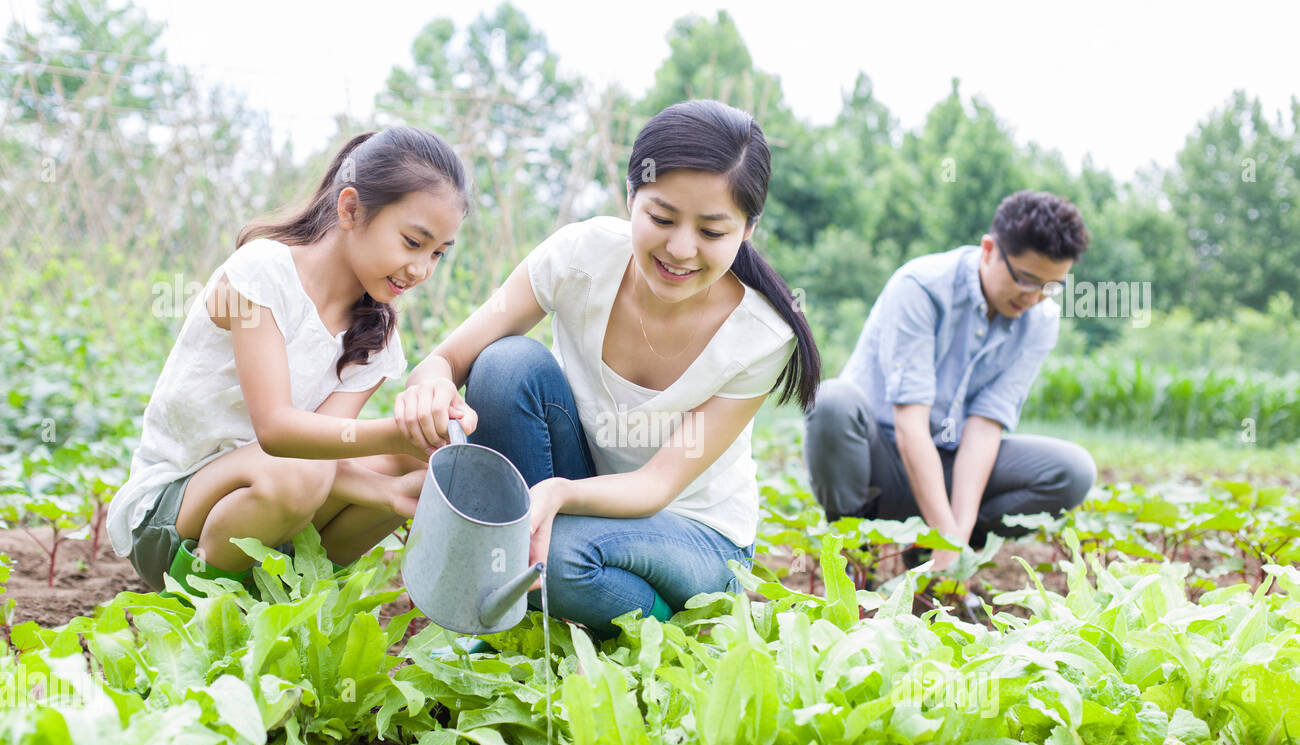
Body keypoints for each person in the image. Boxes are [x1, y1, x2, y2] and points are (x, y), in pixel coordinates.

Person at [395, 99, 821, 638]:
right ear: (630, 197)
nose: (681, 249)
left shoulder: (760, 337)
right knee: (505, 365)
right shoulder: (580, 257)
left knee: (560, 559)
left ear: (748, 228)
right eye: (662, 218)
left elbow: (655, 486)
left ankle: (666, 626)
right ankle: (537, 584)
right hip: (584, 488)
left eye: (713, 232)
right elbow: (446, 358)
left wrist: (557, 496)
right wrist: (428, 383)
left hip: (691, 530)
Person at [106, 127, 470, 598]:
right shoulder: (262, 273)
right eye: (412, 242)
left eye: (438, 254)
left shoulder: (375, 336)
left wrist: (400, 480)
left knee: (415, 459)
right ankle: (199, 611)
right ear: (351, 209)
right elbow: (278, 433)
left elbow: (326, 452)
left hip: (279, 500)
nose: (421, 270)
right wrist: (398, 432)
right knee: (311, 466)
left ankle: (288, 599)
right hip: (171, 514)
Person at [804, 190, 1097, 571]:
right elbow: (911, 426)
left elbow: (984, 429)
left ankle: (934, 557)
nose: (1034, 297)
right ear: (989, 250)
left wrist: (952, 540)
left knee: (1072, 471)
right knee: (832, 402)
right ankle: (855, 557)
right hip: (881, 462)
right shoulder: (922, 287)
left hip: (949, 462)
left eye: (1051, 286)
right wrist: (946, 535)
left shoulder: (1040, 320)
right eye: (1026, 280)